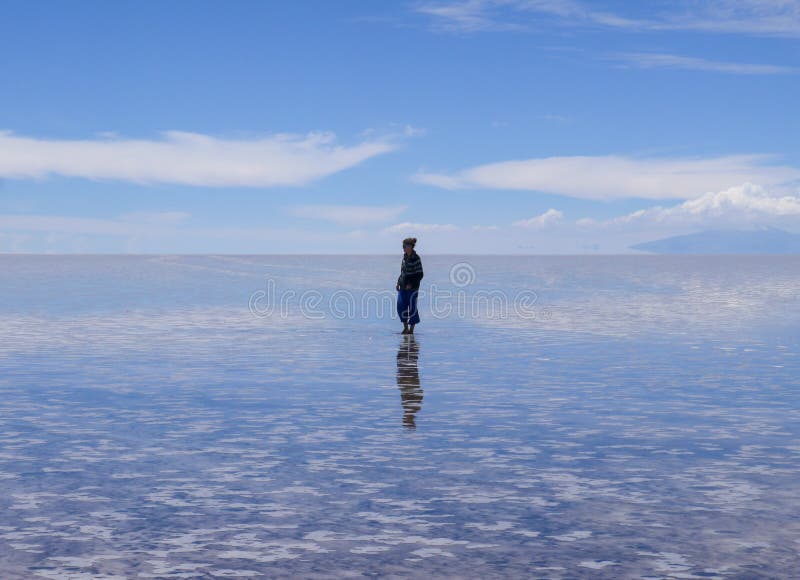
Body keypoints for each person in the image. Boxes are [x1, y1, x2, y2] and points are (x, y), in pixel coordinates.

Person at [396, 237, 423, 334]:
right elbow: (402, 272)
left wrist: (411, 284)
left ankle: (411, 330)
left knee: (412, 309)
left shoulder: (416, 258)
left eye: (406, 246)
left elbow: (420, 274)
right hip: (402, 287)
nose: (404, 248)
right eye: (403, 246)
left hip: (413, 288)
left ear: (411, 247)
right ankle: (405, 328)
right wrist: (398, 283)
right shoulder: (404, 257)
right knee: (400, 307)